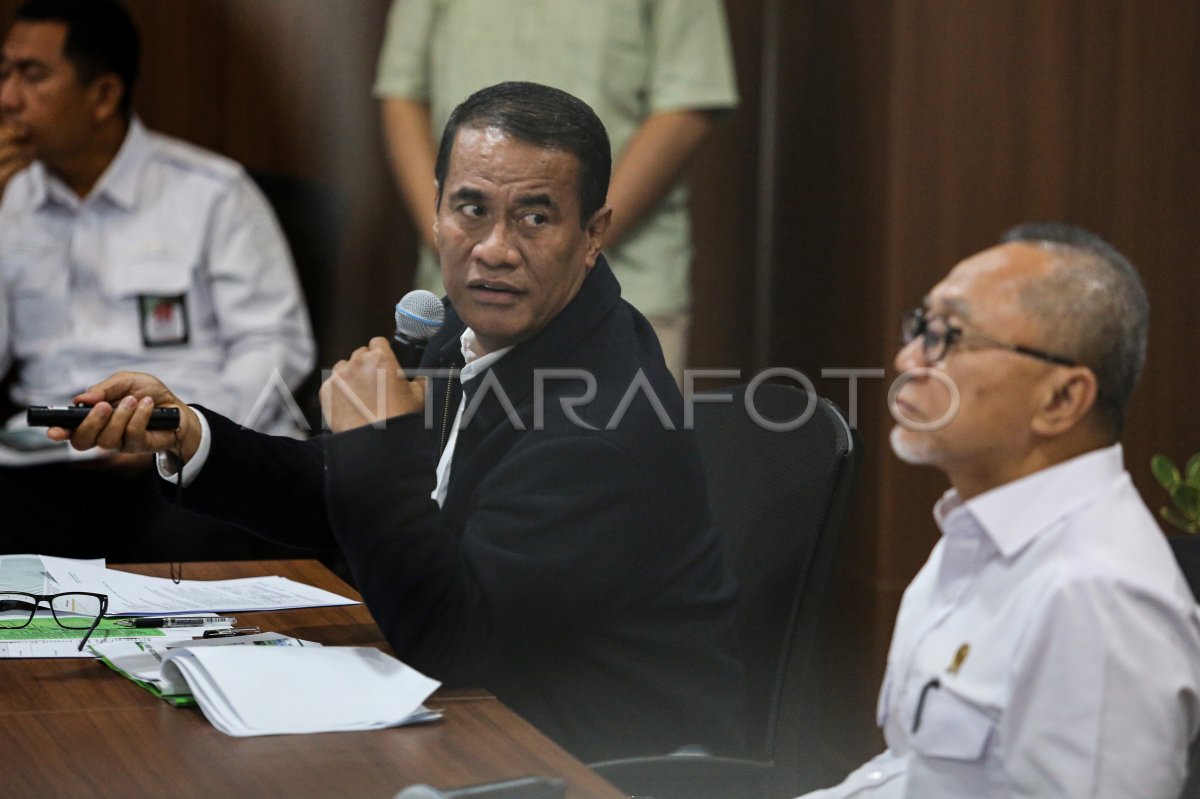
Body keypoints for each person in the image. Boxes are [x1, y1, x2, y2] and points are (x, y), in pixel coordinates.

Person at [56, 81, 745, 762]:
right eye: (470, 208)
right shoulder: (477, 328)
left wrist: (373, 444)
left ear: (593, 234)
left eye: (535, 217)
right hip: (484, 708)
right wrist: (192, 434)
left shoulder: (601, 416)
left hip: (591, 756)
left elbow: (455, 637)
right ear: (437, 208)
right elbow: (356, 501)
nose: (494, 248)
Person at [800, 224, 1200, 798]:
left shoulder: (1096, 595)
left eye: (948, 336)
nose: (908, 358)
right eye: (919, 326)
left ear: (1061, 399)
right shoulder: (975, 532)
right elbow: (909, 774)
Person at [0, 0, 314, 560]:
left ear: (103, 95)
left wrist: (181, 424)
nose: (7, 99)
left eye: (33, 75)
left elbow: (275, 344)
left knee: (206, 530)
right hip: (47, 462)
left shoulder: (211, 192)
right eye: (5, 74)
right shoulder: (9, 200)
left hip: (178, 457)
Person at [374, 0, 738, 379]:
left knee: (612, 430)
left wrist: (565, 241)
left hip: (626, 282)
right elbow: (402, 92)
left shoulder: (586, 236)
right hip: (464, 293)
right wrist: (464, 241)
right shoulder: (480, 251)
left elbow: (686, 101)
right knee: (443, 433)